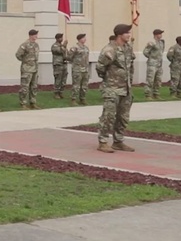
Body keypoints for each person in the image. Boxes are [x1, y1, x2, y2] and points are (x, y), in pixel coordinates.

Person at [94, 23, 136, 153]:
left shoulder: (128, 48)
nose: (129, 35)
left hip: (126, 88)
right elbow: (100, 67)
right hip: (112, 88)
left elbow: (130, 66)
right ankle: (103, 142)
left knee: (123, 117)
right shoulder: (109, 50)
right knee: (109, 116)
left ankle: (118, 141)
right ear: (119, 34)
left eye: (129, 33)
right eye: (126, 33)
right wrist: (109, 79)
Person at [15, 29, 41, 109]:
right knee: (24, 87)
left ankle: (33, 102)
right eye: (35, 35)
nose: (36, 36)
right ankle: (23, 103)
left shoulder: (36, 45)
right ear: (31, 35)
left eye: (36, 34)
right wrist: (25, 61)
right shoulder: (25, 45)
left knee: (34, 87)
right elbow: (18, 55)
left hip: (35, 69)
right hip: (26, 69)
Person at [67, 33, 90, 106]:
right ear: (79, 39)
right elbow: (69, 57)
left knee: (84, 85)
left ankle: (82, 99)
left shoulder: (86, 48)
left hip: (85, 69)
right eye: (83, 38)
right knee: (76, 85)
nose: (85, 39)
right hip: (77, 69)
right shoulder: (75, 47)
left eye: (85, 38)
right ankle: (73, 99)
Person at [142, 29, 166, 100]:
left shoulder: (161, 42)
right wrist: (151, 58)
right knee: (150, 79)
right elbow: (145, 52)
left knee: (158, 79)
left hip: (159, 64)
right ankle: (148, 94)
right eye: (160, 34)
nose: (161, 35)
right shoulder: (152, 43)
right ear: (156, 35)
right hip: (152, 63)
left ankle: (156, 93)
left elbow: (161, 52)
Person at [51, 33, 67, 99]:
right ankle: (56, 93)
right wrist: (64, 45)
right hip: (58, 64)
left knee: (64, 79)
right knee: (58, 79)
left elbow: (65, 53)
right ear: (57, 39)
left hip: (64, 64)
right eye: (60, 38)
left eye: (62, 37)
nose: (62, 39)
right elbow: (59, 51)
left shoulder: (62, 45)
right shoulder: (55, 46)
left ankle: (61, 92)